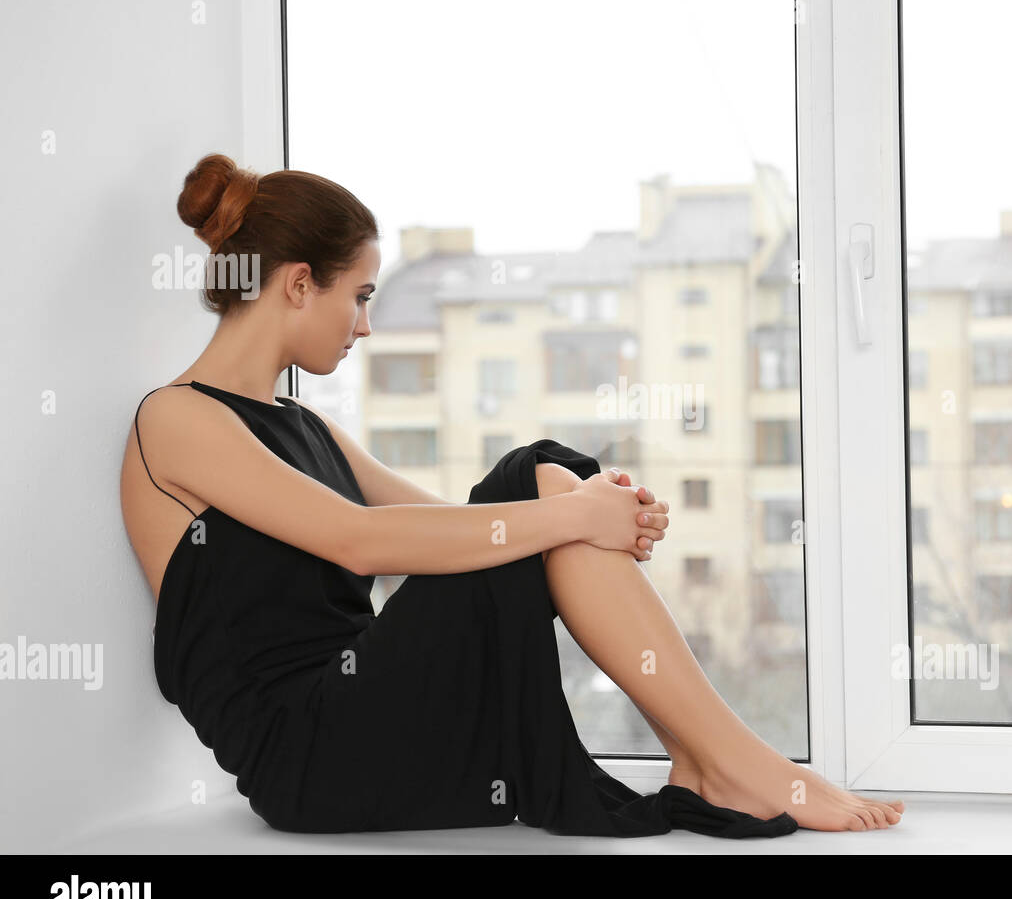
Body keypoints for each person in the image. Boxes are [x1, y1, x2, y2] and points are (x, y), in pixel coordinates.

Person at [119, 152, 905, 837]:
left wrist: (595, 514)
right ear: (297, 285)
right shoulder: (176, 418)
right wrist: (570, 511)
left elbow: (462, 530)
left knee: (540, 488)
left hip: (365, 714)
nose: (365, 326)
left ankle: (709, 760)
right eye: (359, 295)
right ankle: (733, 760)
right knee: (537, 485)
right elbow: (360, 539)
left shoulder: (304, 426)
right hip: (307, 752)